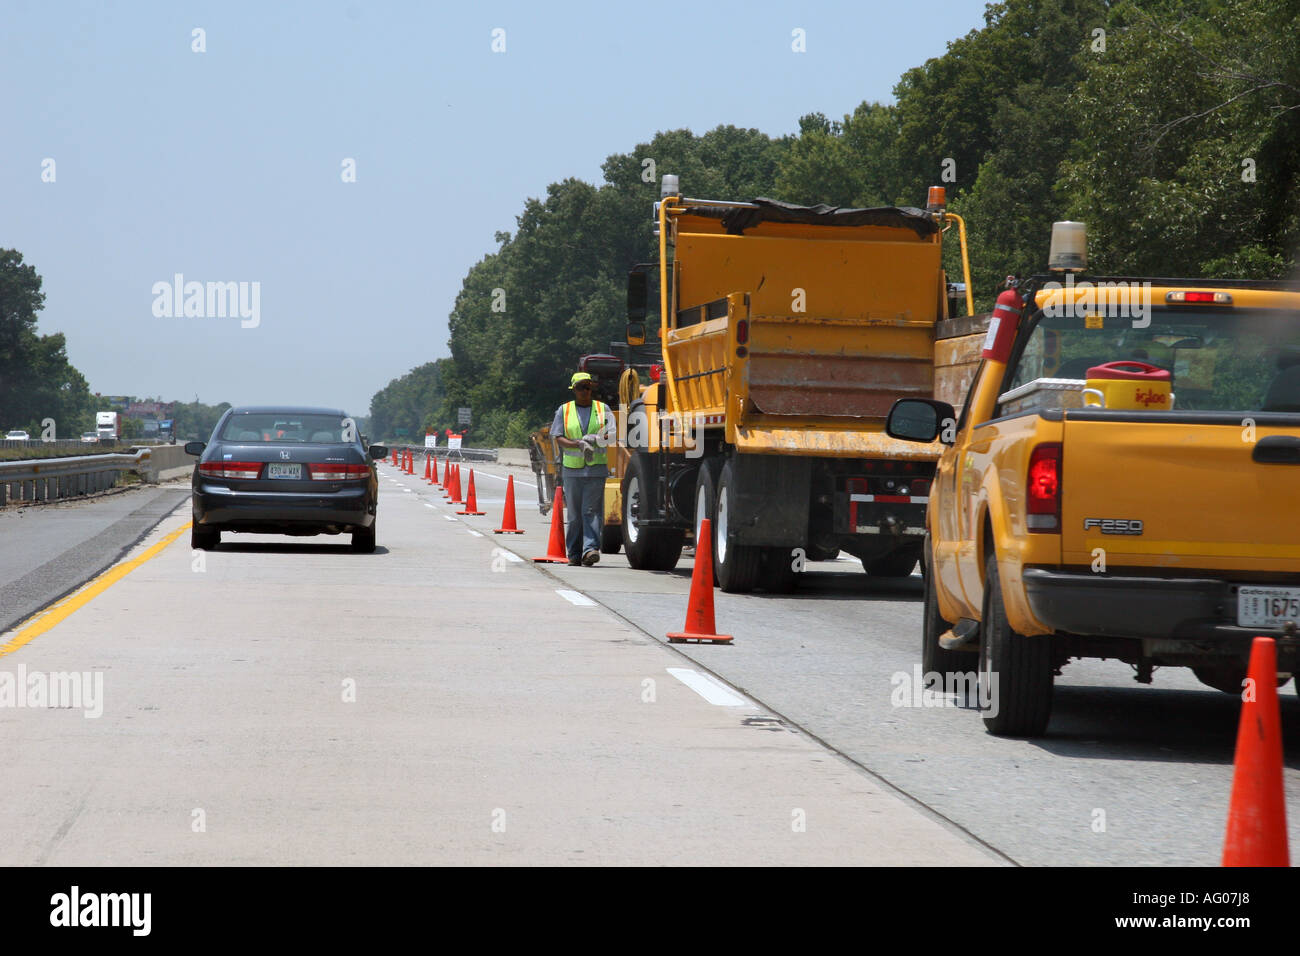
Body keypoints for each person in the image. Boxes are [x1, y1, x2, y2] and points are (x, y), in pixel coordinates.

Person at [550, 372, 614, 566]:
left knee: (591, 511)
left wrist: (596, 439)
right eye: (580, 387)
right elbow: (558, 437)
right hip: (572, 470)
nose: (584, 391)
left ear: (591, 388)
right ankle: (574, 553)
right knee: (575, 514)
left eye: (587, 387)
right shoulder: (564, 410)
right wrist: (576, 444)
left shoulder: (603, 409)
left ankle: (590, 550)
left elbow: (612, 436)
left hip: (596, 469)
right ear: (574, 390)